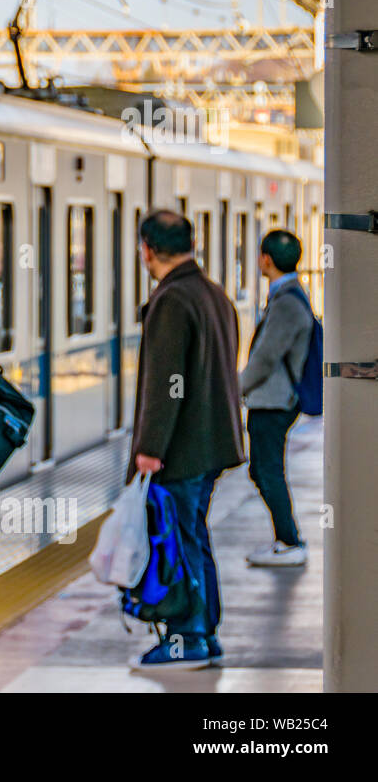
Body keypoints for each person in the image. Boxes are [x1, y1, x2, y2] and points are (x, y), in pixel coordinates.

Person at [129, 209, 244, 670]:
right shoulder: (213, 294)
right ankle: (205, 631)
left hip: (184, 447)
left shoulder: (173, 300)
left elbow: (168, 383)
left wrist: (151, 448)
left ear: (147, 250)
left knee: (180, 538)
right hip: (212, 441)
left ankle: (187, 638)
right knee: (193, 534)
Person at [239, 229, 313, 568]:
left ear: (265, 259)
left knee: (267, 470)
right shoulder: (292, 294)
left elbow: (266, 357)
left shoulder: (286, 302)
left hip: (273, 401)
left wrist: (235, 389)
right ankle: (286, 538)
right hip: (273, 399)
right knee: (263, 469)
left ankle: (289, 540)